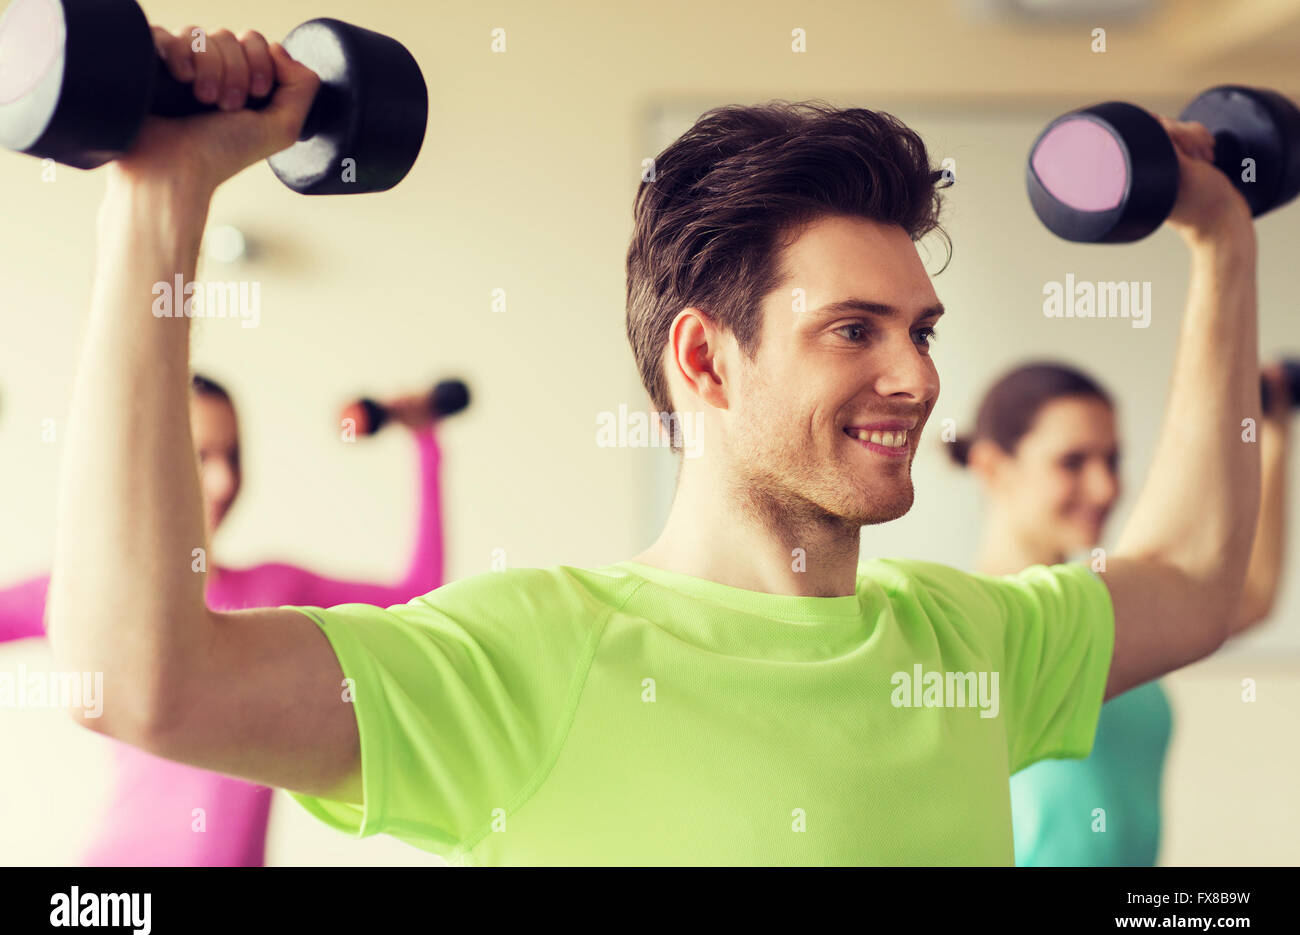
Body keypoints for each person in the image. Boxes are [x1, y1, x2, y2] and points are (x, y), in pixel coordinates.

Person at [45, 26, 1263, 864]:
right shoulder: (530, 655)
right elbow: (138, 679)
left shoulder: (970, 640)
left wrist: (1223, 242)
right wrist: (162, 202)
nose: (919, 376)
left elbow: (1197, 579)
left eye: (921, 329)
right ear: (702, 357)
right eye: (854, 329)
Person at [0, 373, 448, 865]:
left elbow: (419, 600)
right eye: (202, 457)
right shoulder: (98, 592)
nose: (225, 480)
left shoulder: (277, 590)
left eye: (233, 456)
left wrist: (425, 442)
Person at [948, 361, 1290, 865]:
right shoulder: (964, 625)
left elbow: (1249, 596)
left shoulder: (1099, 604)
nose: (1107, 487)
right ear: (992, 468)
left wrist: (1274, 432)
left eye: (1113, 459)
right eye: (1073, 461)